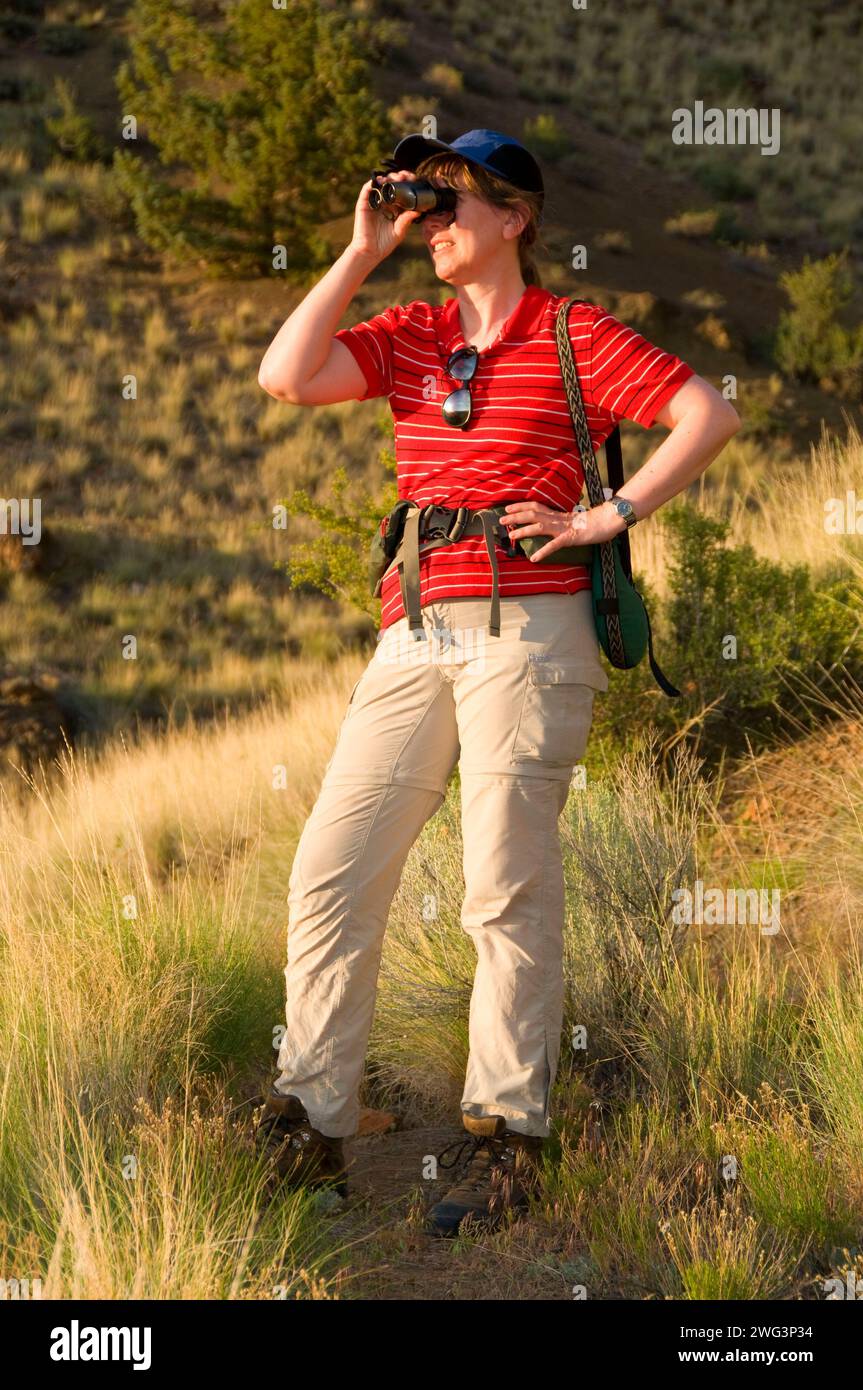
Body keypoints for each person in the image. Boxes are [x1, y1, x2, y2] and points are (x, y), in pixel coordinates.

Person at [256, 129, 740, 1237]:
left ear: (515, 218)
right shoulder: (412, 333)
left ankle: (506, 1139)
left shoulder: (571, 332)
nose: (433, 222)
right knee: (331, 869)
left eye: (453, 203)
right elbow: (286, 375)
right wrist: (360, 251)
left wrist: (602, 516)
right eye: (424, 206)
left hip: (530, 627)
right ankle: (312, 1120)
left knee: (501, 888)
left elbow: (705, 413)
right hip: (415, 625)